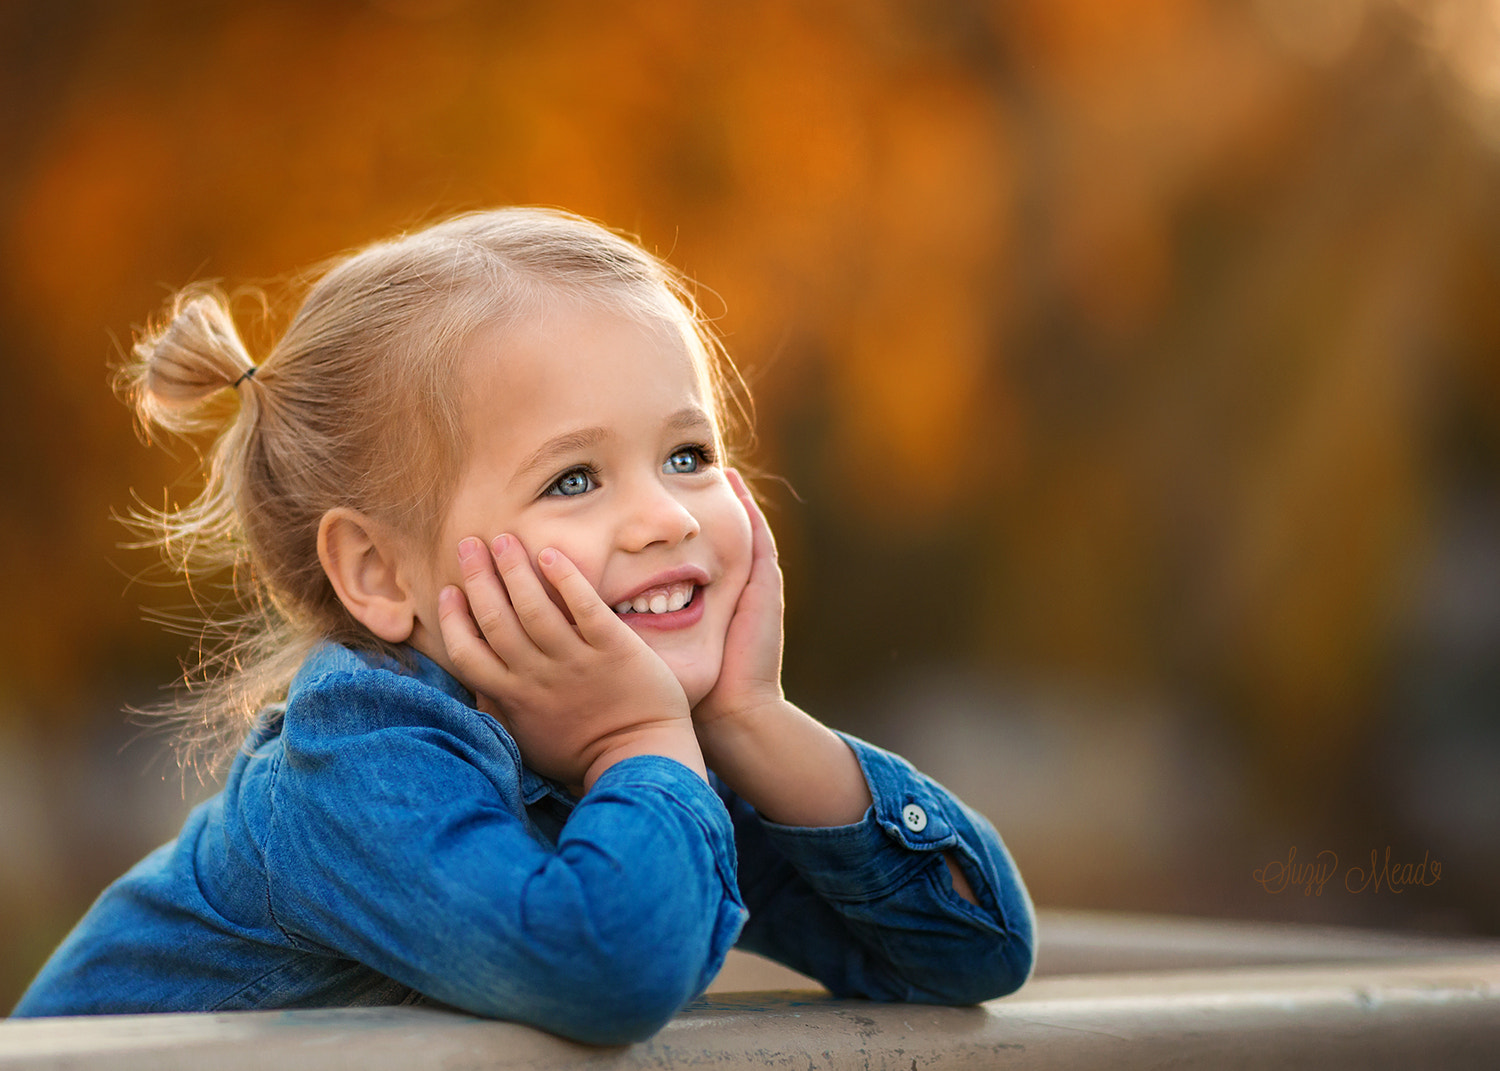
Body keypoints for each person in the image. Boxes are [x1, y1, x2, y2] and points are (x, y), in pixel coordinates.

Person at [11, 208, 1034, 1043]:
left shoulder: (648, 750)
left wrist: (752, 720)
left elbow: (972, 947)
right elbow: (604, 970)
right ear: (376, 572)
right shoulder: (359, 766)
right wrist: (642, 745)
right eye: (574, 478)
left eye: (687, 454)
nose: (668, 518)